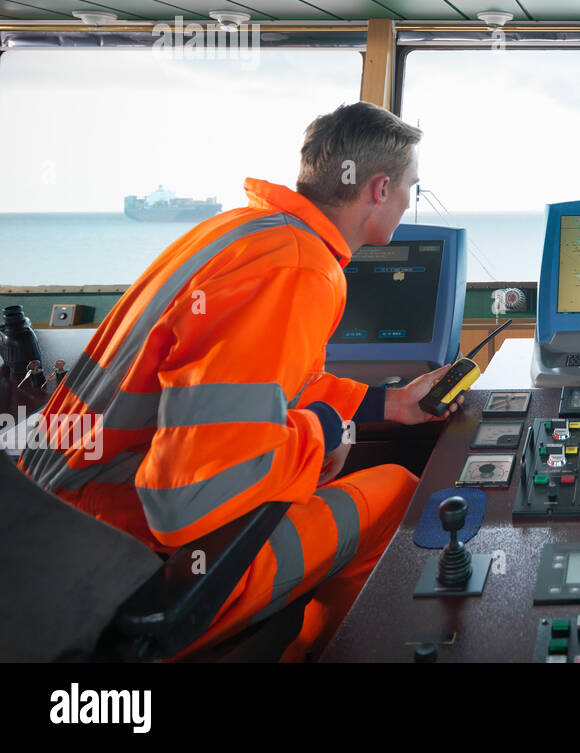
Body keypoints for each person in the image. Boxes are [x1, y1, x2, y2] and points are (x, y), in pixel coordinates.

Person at [20, 102, 460, 658]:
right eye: (409, 189)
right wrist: (322, 430)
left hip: (43, 531)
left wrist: (383, 405)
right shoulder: (295, 269)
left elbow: (256, 388)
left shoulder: (242, 233)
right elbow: (188, 501)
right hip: (116, 575)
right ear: (378, 189)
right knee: (397, 493)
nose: (406, 201)